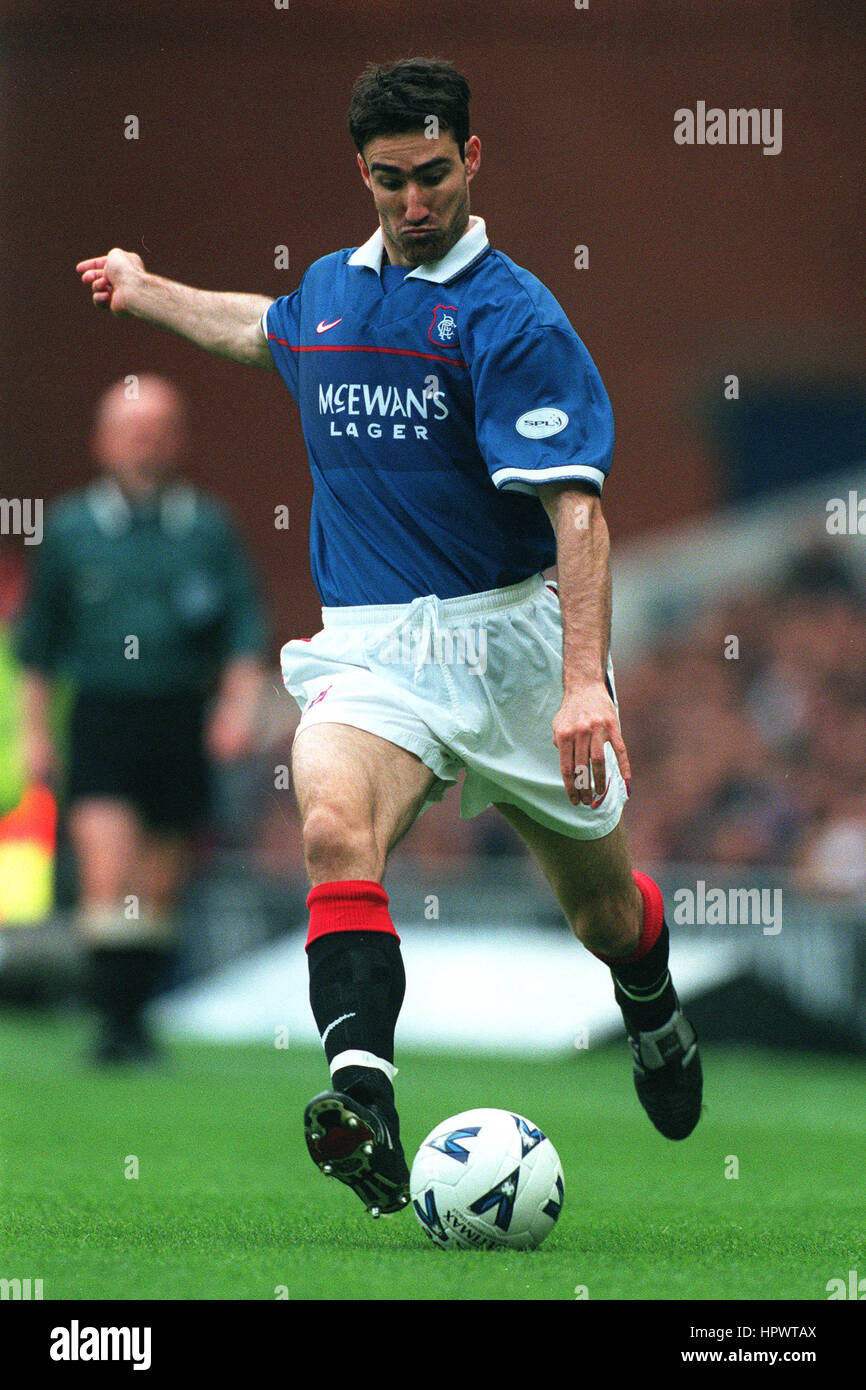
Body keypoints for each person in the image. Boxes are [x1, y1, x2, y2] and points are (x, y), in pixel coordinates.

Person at [76, 58, 702, 1209]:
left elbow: (579, 512)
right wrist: (145, 285)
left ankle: (650, 1002)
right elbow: (263, 332)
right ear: (358, 174)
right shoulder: (327, 290)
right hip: (372, 648)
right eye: (386, 182)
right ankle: (362, 1096)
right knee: (329, 821)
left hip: (512, 647)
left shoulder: (513, 317)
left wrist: (580, 684)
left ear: (470, 159)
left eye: (429, 176)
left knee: (602, 913)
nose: (412, 204)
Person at [15, 376, 268, 1064]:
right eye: (131, 430)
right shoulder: (71, 529)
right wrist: (37, 734)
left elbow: (244, 632)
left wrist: (236, 707)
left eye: (157, 431)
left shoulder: (206, 528)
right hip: (101, 716)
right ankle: (111, 1024)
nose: (143, 444)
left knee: (160, 884)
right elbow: (38, 644)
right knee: (108, 871)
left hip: (178, 717)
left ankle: (136, 1018)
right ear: (102, 442)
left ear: (177, 441)